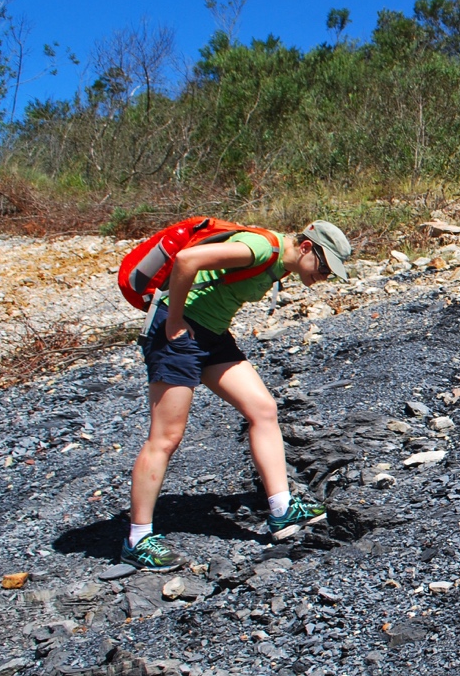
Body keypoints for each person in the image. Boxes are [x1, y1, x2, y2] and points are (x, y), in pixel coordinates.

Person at [122, 220, 354, 571]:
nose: (324, 277)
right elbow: (187, 260)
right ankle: (137, 539)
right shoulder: (260, 248)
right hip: (177, 330)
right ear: (306, 248)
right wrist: (174, 322)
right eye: (324, 267)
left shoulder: (280, 265)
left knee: (262, 409)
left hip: (211, 334)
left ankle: (281, 510)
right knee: (166, 436)